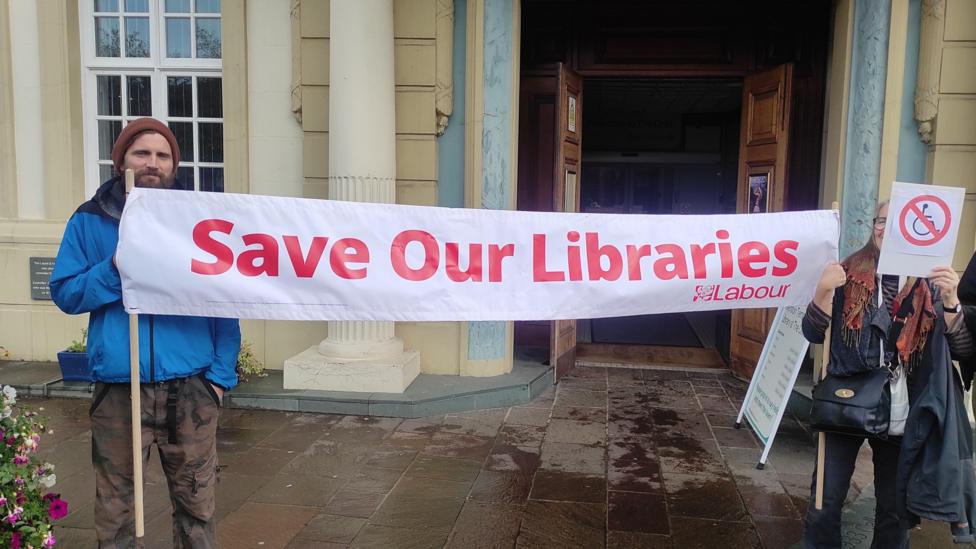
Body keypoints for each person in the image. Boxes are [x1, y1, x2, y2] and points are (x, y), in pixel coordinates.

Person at [50, 117, 240, 548]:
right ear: (121, 161)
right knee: (116, 508)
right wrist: (116, 267)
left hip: (190, 388)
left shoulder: (199, 222)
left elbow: (225, 301)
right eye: (142, 153)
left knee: (197, 504)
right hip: (120, 389)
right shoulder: (89, 220)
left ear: (174, 164)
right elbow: (66, 292)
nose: (153, 163)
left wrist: (218, 380)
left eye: (163, 155)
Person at [801, 200, 973, 548]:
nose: (888, 229)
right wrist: (822, 291)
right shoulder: (846, 273)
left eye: (899, 223)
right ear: (873, 227)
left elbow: (963, 349)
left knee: (895, 513)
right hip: (847, 404)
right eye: (882, 222)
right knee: (824, 503)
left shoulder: (932, 285)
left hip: (902, 411)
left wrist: (952, 300)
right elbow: (812, 332)